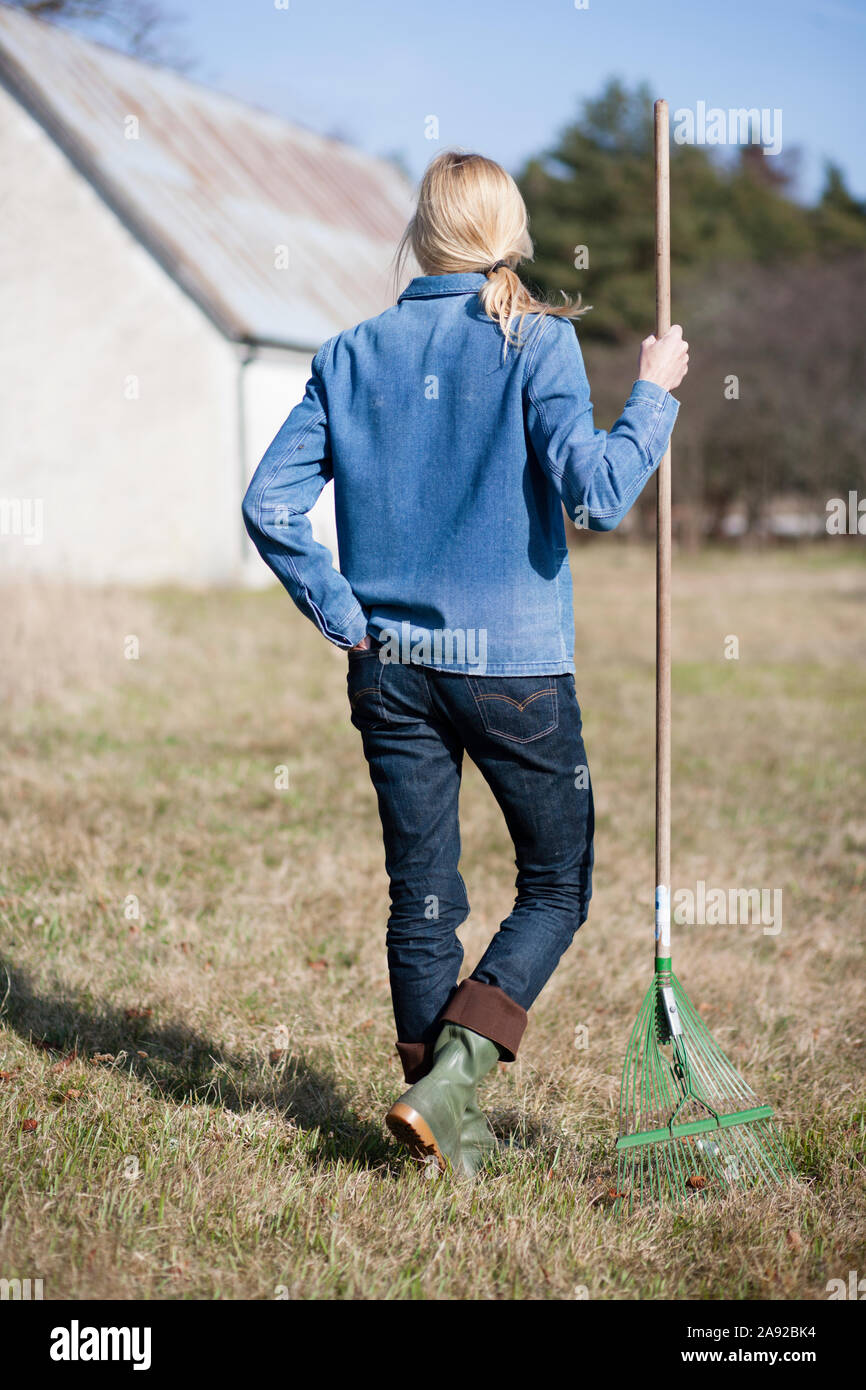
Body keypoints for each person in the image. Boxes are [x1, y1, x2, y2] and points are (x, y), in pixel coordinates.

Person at [242, 149, 688, 1177]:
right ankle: (452, 1082)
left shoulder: (348, 353)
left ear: (419, 236)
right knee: (556, 882)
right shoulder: (536, 342)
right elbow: (598, 498)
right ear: (512, 236)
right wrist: (654, 393)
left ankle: (434, 1111)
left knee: (423, 895)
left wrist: (344, 614)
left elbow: (268, 507)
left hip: (387, 667)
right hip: (514, 670)